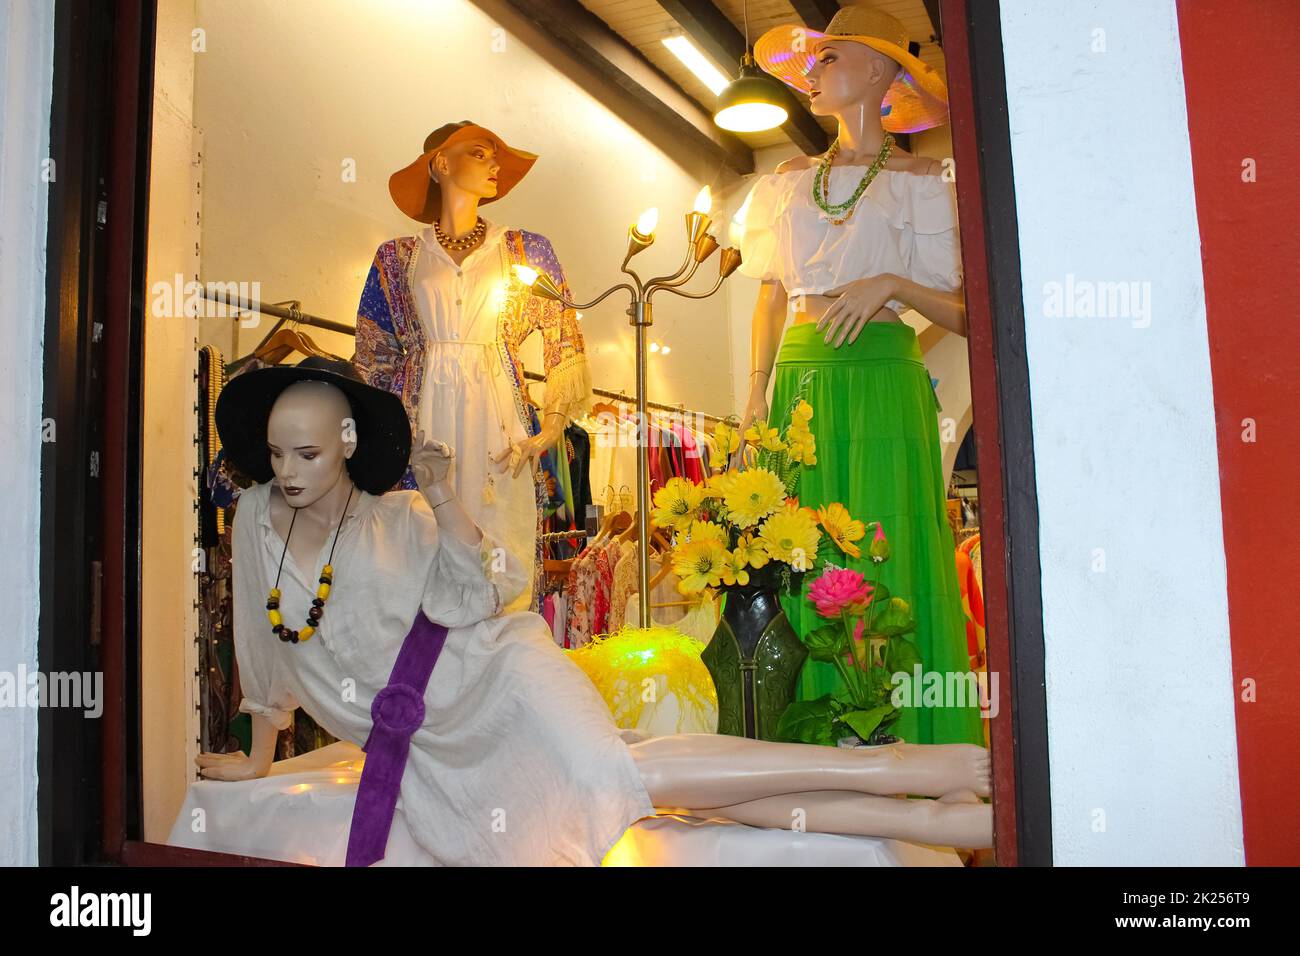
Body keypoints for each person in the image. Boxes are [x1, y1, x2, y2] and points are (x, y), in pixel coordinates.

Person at [196, 357, 993, 865]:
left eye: (309, 453)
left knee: (626, 771)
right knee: (650, 788)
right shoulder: (259, 528)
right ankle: (938, 820)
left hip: (498, 679)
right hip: (436, 745)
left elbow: (492, 589)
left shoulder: (397, 517)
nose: (289, 471)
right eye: (275, 453)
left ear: (345, 444)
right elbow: (266, 661)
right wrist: (261, 758)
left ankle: (897, 771)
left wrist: (442, 496)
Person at [734, 5, 983, 746]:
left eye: (830, 57)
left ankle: (911, 759)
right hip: (804, 383)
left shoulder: (923, 181)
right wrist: (754, 391)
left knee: (890, 543)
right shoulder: (787, 182)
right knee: (802, 553)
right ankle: (816, 758)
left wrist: (892, 284)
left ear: (878, 71)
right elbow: (772, 295)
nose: (813, 71)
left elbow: (973, 314)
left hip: (884, 379)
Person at [355, 121, 593, 614]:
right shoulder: (396, 257)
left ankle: (498, 664)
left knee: (499, 553)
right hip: (421, 421)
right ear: (441, 163)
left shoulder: (526, 250)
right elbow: (373, 359)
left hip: (498, 418)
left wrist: (549, 428)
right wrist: (378, 443)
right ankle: (420, 676)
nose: (495, 165)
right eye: (481, 153)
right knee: (418, 543)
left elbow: (562, 332)